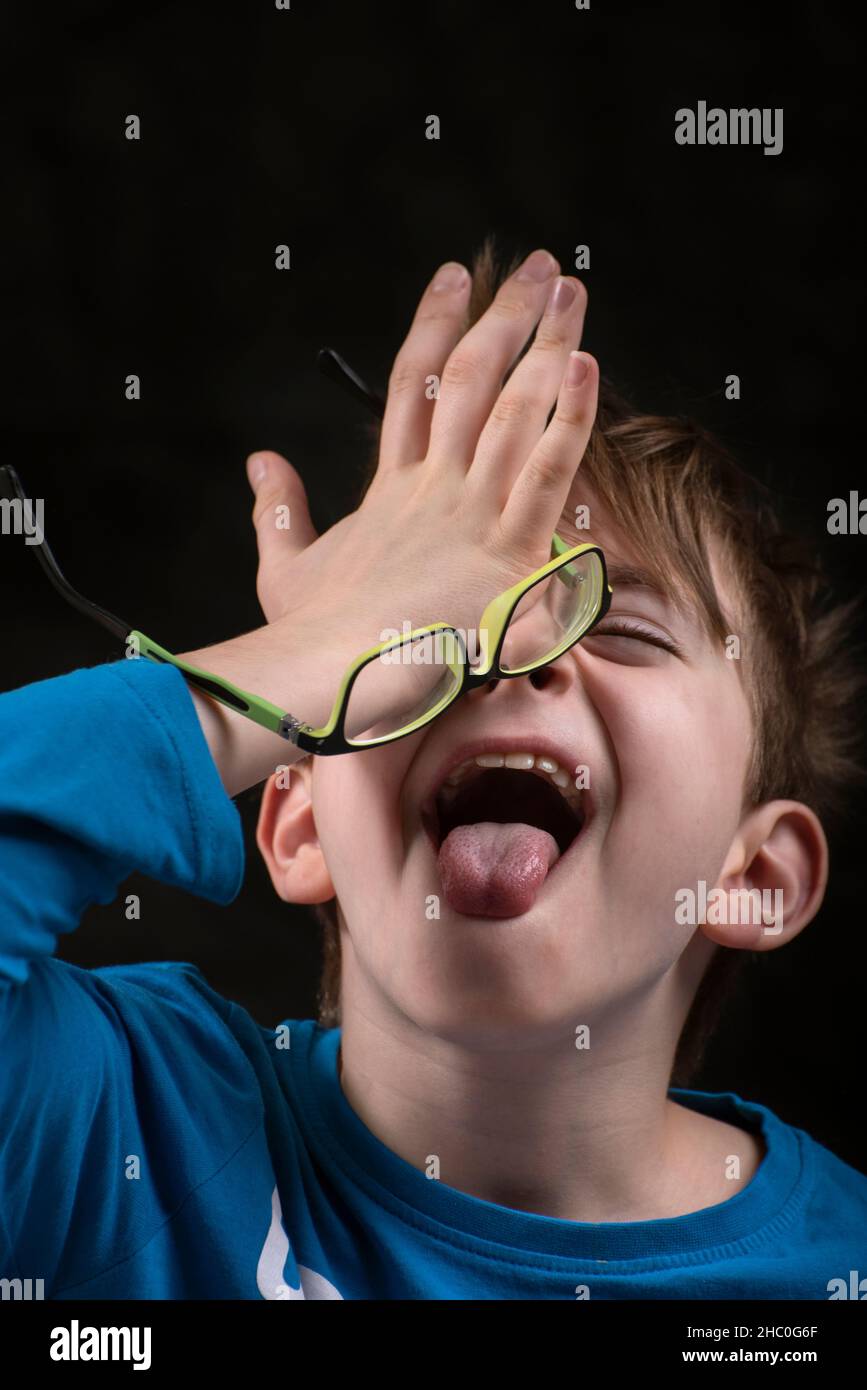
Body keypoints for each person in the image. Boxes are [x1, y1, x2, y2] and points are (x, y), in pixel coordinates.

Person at [2, 245, 865, 1300]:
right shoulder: (120, 1132)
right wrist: (294, 668)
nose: (511, 654)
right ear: (300, 821)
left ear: (757, 873)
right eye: (432, 625)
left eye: (626, 626)